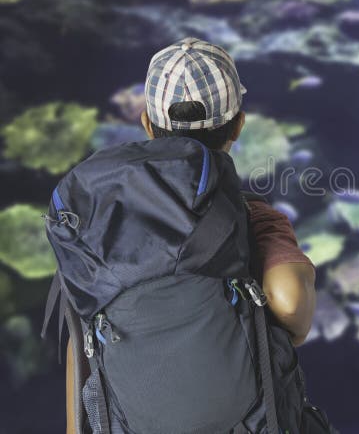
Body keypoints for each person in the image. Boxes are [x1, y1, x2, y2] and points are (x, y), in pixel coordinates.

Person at [64, 37, 317, 434]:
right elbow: (290, 302)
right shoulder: (253, 216)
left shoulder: (100, 223)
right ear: (238, 124)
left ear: (147, 124)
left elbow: (81, 355)